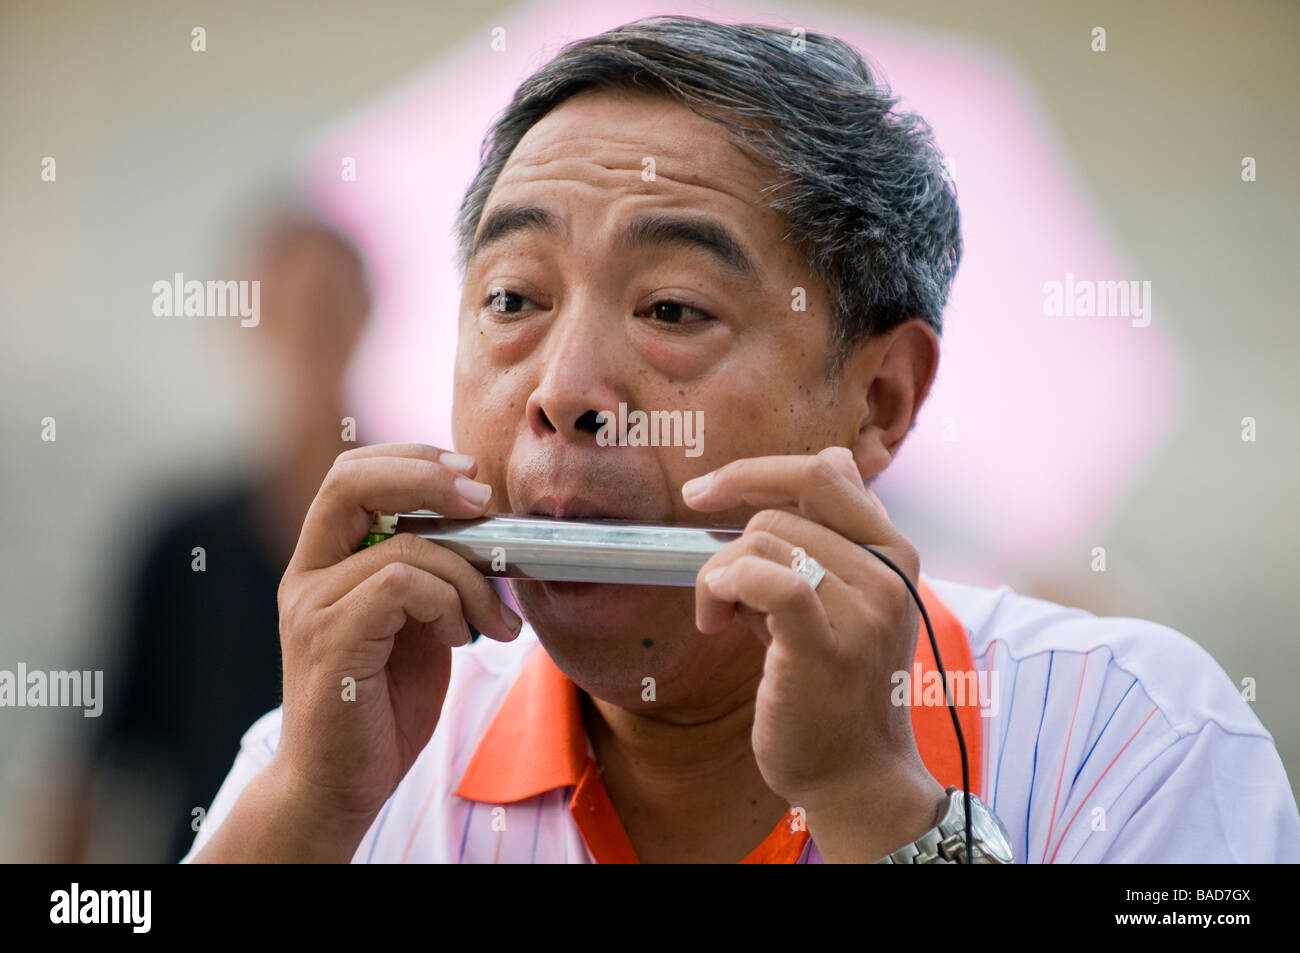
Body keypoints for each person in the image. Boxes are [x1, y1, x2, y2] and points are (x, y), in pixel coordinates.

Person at [183, 16, 1300, 863]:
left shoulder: (1146, 734)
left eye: (671, 308)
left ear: (880, 402)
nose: (563, 392)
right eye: (513, 301)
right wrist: (303, 819)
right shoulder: (331, 766)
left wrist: (874, 799)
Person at [38, 211, 371, 863]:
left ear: (364, 315)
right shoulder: (179, 538)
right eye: (289, 309)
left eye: (327, 308)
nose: (309, 334)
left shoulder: (412, 523)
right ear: (254, 321)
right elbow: (87, 763)